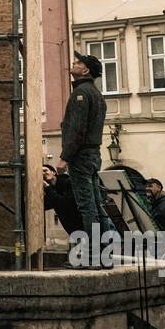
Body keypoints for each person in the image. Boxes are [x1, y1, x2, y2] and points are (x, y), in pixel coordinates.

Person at [59, 51, 113, 264]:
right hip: (93, 154)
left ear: (86, 70)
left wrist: (65, 156)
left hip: (80, 156)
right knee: (97, 204)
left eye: (78, 62)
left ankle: (92, 255)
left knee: (86, 205)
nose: (74, 63)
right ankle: (104, 252)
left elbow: (77, 130)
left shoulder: (81, 94)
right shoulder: (97, 95)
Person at [43, 163, 83, 236]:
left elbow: (64, 204)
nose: (43, 173)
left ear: (54, 172)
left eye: (45, 170)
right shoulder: (51, 190)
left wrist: (47, 188)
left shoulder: (66, 182)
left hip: (85, 226)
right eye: (40, 173)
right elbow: (43, 205)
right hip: (75, 231)